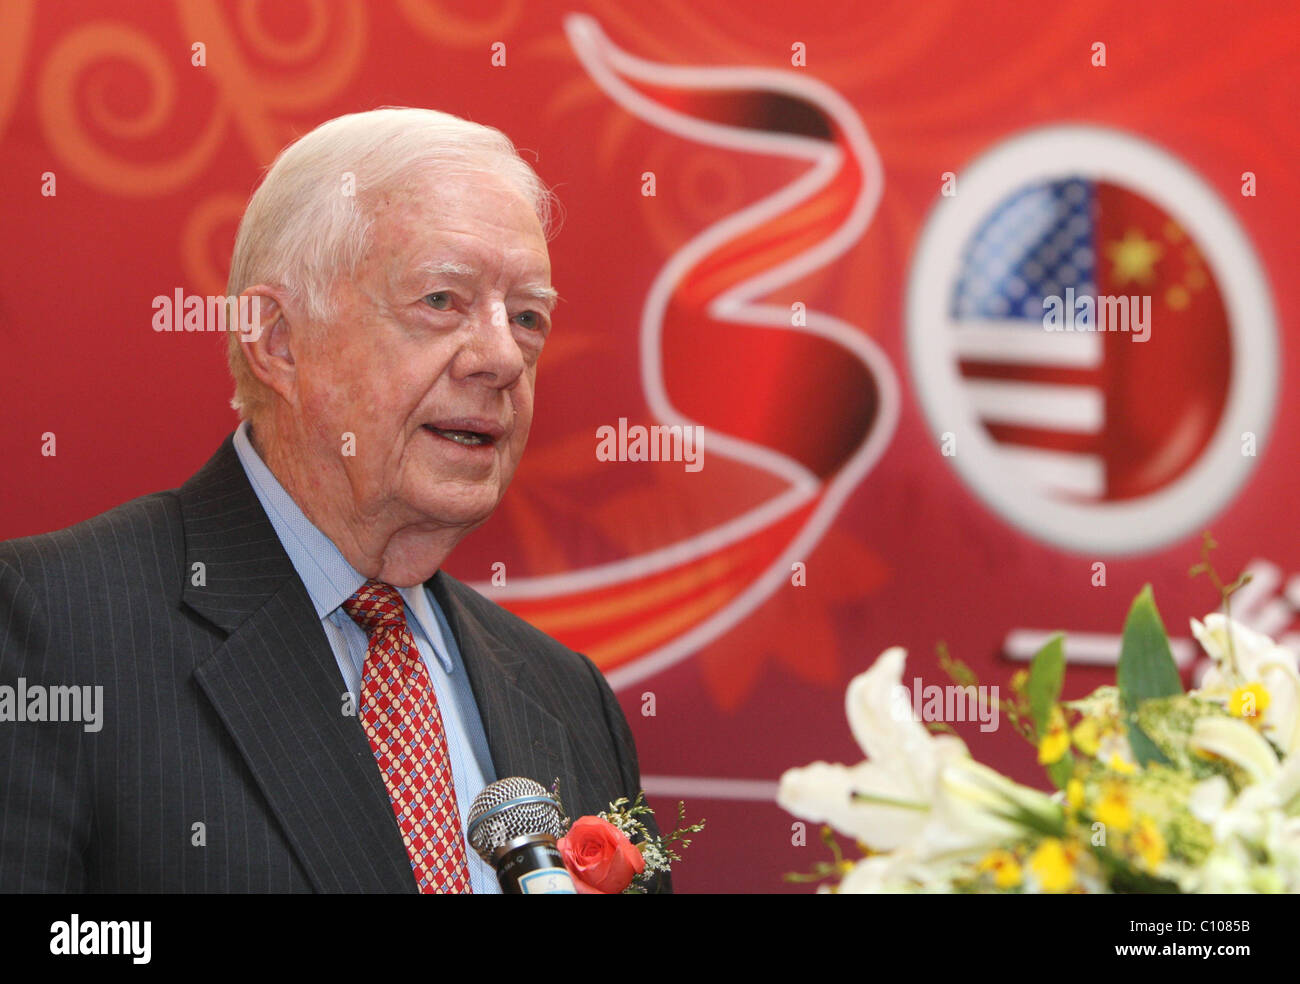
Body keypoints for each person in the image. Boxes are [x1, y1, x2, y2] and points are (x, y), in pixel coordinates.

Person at [0, 107, 663, 893]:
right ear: (279, 340)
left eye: (527, 317)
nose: (501, 359)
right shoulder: (49, 626)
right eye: (443, 301)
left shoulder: (567, 695)